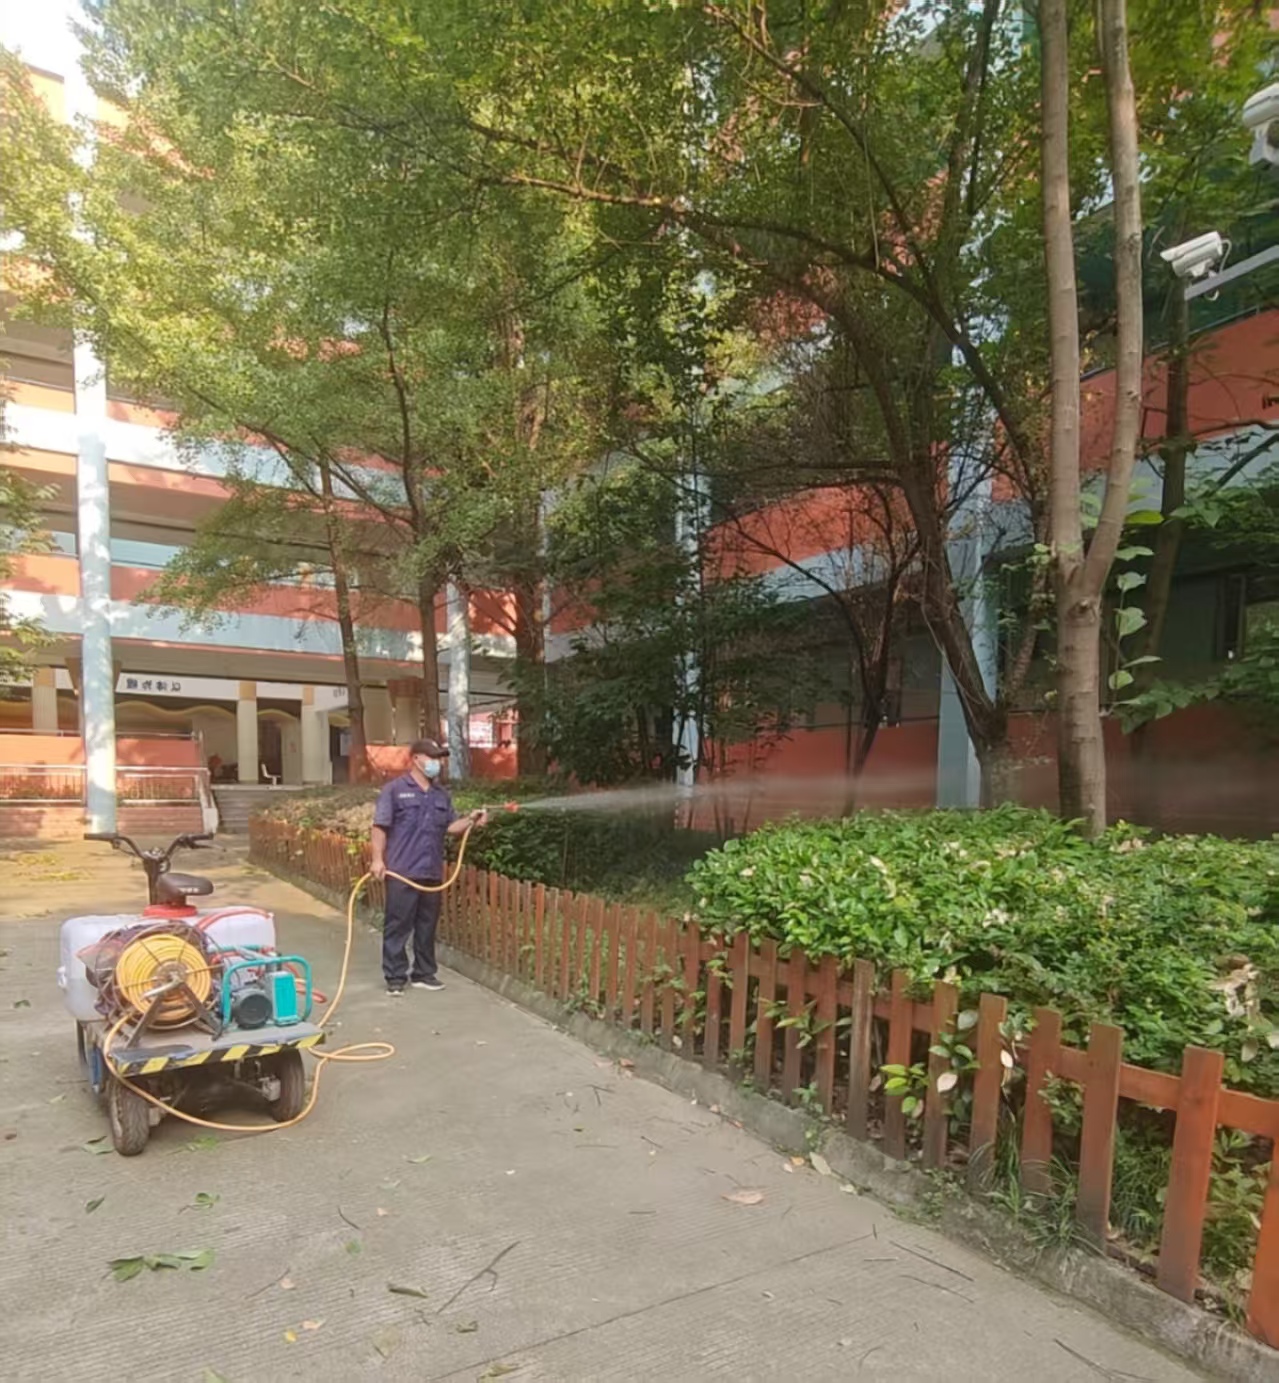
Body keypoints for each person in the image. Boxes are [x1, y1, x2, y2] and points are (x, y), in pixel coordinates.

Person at [370, 737, 487, 996]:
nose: (437, 763)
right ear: (416, 759)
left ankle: (423, 973)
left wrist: (471, 820)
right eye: (432, 758)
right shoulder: (395, 790)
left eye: (439, 758)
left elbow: (451, 827)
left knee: (427, 925)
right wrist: (377, 859)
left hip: (431, 871)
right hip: (402, 870)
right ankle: (395, 977)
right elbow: (380, 826)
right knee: (398, 925)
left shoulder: (440, 795)